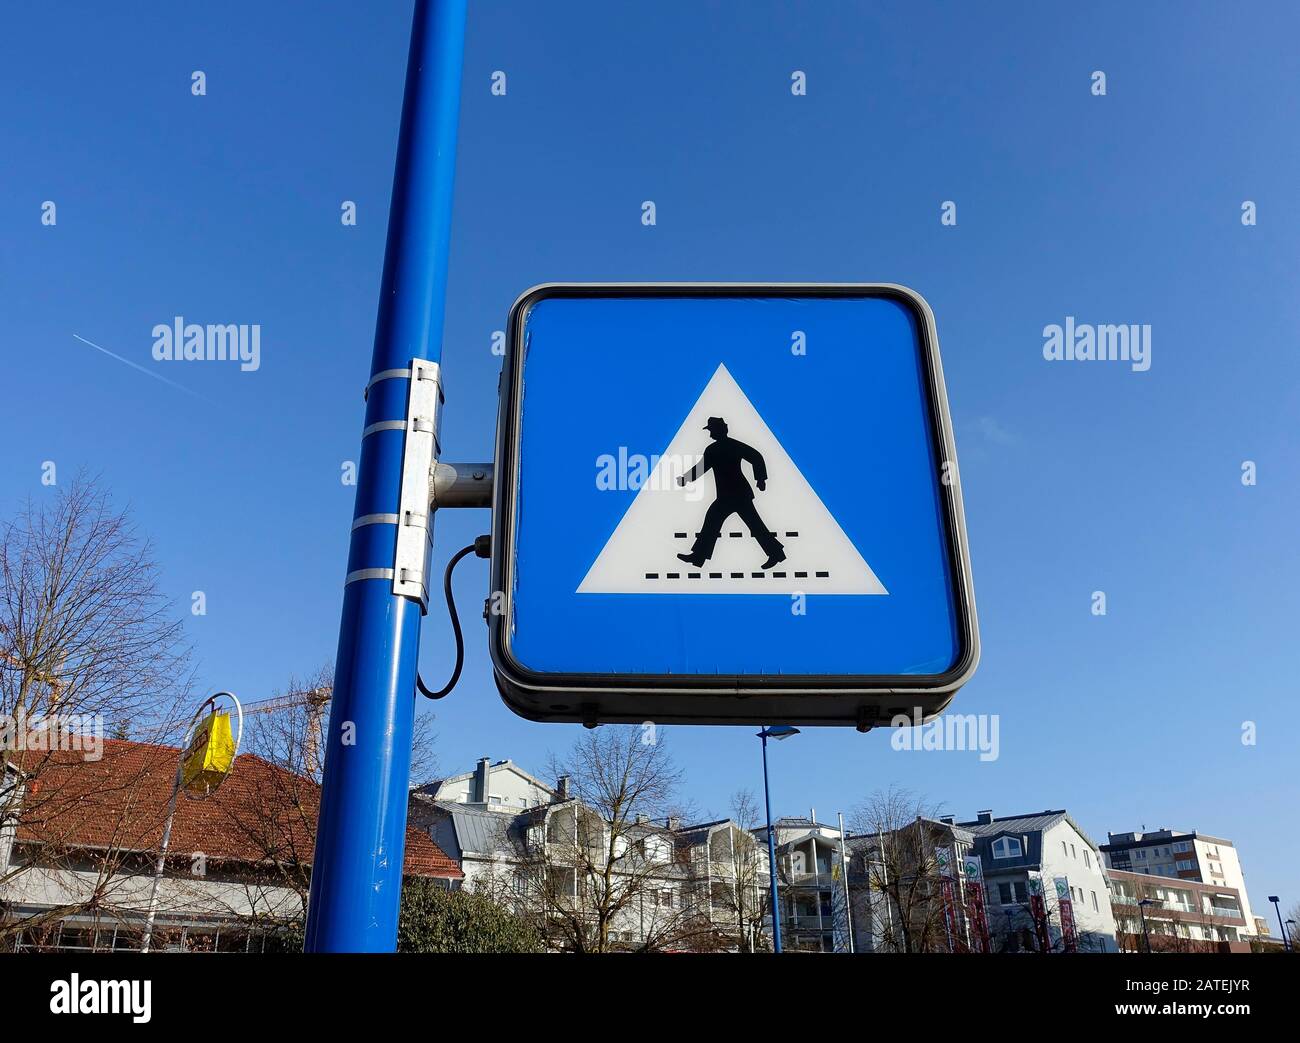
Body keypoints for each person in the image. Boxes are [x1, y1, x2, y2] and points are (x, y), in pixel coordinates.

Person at [675, 416, 785, 569]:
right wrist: (686, 479)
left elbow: (756, 457)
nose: (710, 433)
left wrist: (761, 479)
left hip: (736, 495)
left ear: (718, 431)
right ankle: (698, 556)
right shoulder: (715, 449)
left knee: (748, 524)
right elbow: (702, 467)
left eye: (711, 430)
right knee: (718, 522)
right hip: (730, 495)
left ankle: (698, 556)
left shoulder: (723, 448)